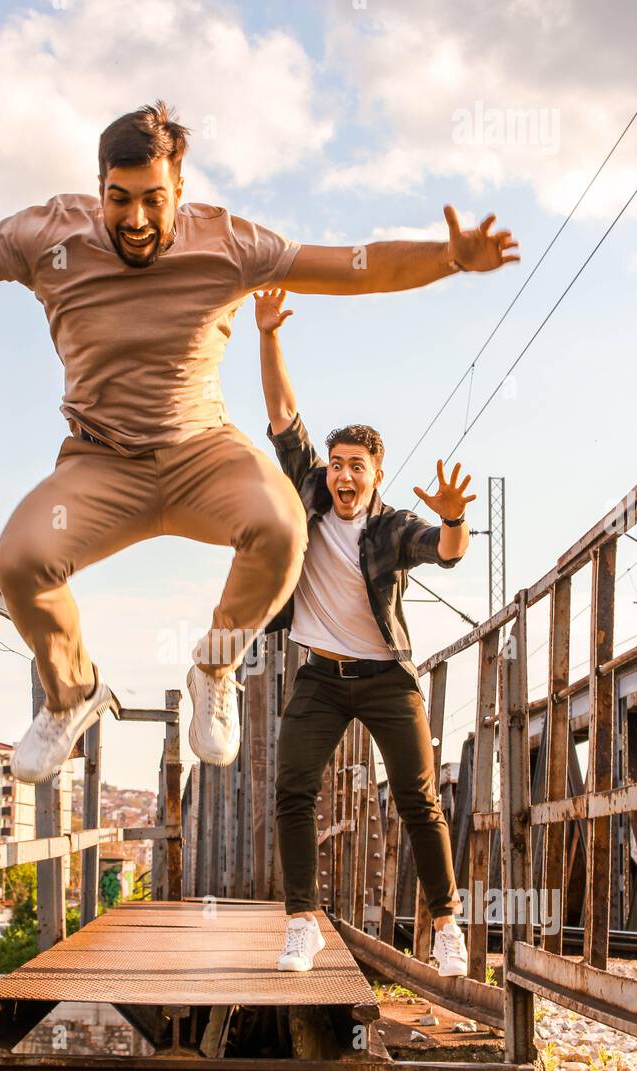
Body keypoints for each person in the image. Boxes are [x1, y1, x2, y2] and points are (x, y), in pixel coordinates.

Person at [0, 102, 519, 783]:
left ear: (179, 190)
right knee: (21, 559)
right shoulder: (49, 237)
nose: (135, 219)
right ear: (98, 188)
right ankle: (71, 692)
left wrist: (447, 259)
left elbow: (352, 266)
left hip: (204, 454)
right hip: (101, 460)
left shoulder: (229, 244)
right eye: (119, 198)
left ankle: (214, 669)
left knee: (281, 526)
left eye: (153, 199)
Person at [254, 288, 472, 978]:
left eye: (358, 467)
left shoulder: (391, 527)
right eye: (337, 463)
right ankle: (301, 924)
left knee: (418, 798)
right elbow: (285, 420)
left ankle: (445, 926)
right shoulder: (310, 492)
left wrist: (456, 519)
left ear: (377, 477)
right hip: (319, 675)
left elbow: (445, 550)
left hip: (384, 678)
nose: (343, 475)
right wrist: (268, 335)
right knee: (293, 788)